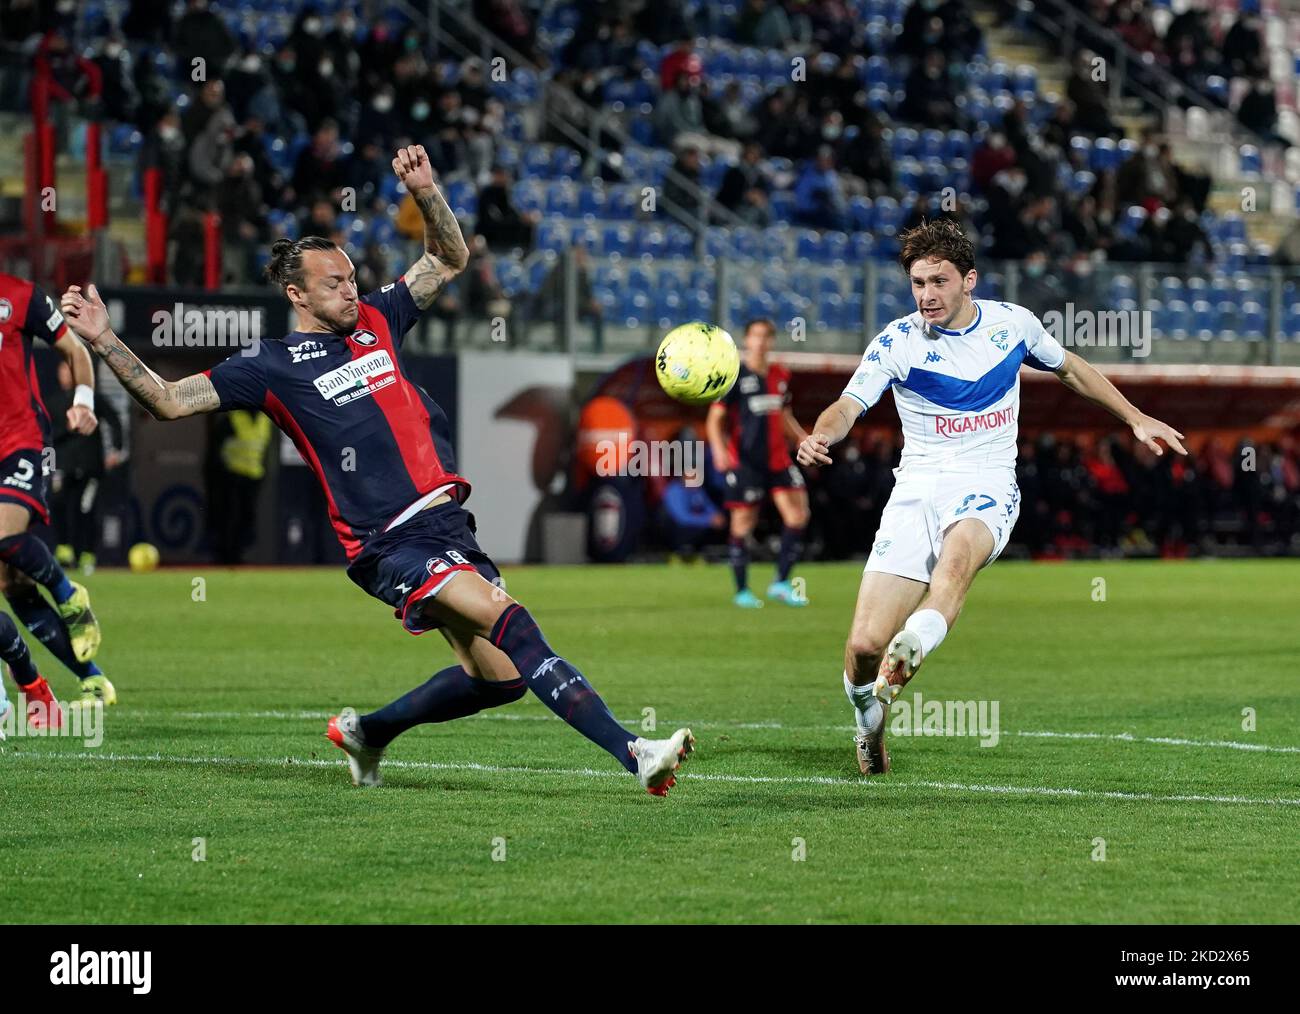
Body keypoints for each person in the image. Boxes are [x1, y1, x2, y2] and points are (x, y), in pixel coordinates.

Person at [60, 144, 695, 796]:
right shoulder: (270, 365)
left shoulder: (377, 319)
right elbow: (168, 400)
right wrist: (106, 339)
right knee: (511, 617)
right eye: (332, 282)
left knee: (502, 678)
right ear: (296, 293)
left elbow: (448, 257)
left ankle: (368, 733)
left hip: (447, 521)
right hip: (388, 539)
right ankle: (635, 753)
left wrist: (425, 191)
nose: (349, 287)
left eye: (351, 276)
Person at [795, 219, 1186, 775]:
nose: (927, 295)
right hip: (917, 491)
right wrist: (820, 435)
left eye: (939, 281)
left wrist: (1135, 417)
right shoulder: (896, 341)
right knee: (862, 646)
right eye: (917, 283)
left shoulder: (1013, 326)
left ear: (968, 280)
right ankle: (869, 717)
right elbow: (847, 406)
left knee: (955, 567)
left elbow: (1071, 368)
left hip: (987, 482)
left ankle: (910, 650)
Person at [0, 272, 111, 714]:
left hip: (18, 442)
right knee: (13, 583)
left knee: (4, 536)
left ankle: (68, 593)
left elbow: (74, 350)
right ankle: (93, 680)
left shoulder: (19, 295)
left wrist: (83, 400)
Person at [705, 318, 811, 608]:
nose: (761, 342)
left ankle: (780, 582)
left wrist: (802, 438)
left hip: (778, 459)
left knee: (798, 516)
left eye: (766, 337)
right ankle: (741, 590)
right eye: (756, 336)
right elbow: (715, 419)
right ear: (747, 340)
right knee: (742, 524)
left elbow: (784, 414)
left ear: (771, 341)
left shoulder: (780, 374)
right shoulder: (734, 376)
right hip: (746, 462)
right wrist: (718, 451)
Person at [49, 359, 125, 574]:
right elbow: (46, 433)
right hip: (63, 465)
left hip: (90, 466)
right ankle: (64, 551)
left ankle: (87, 555)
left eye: (70, 370)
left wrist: (116, 450)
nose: (67, 375)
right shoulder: (53, 402)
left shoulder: (90, 399)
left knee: (85, 509)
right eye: (63, 370)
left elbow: (114, 419)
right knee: (59, 504)